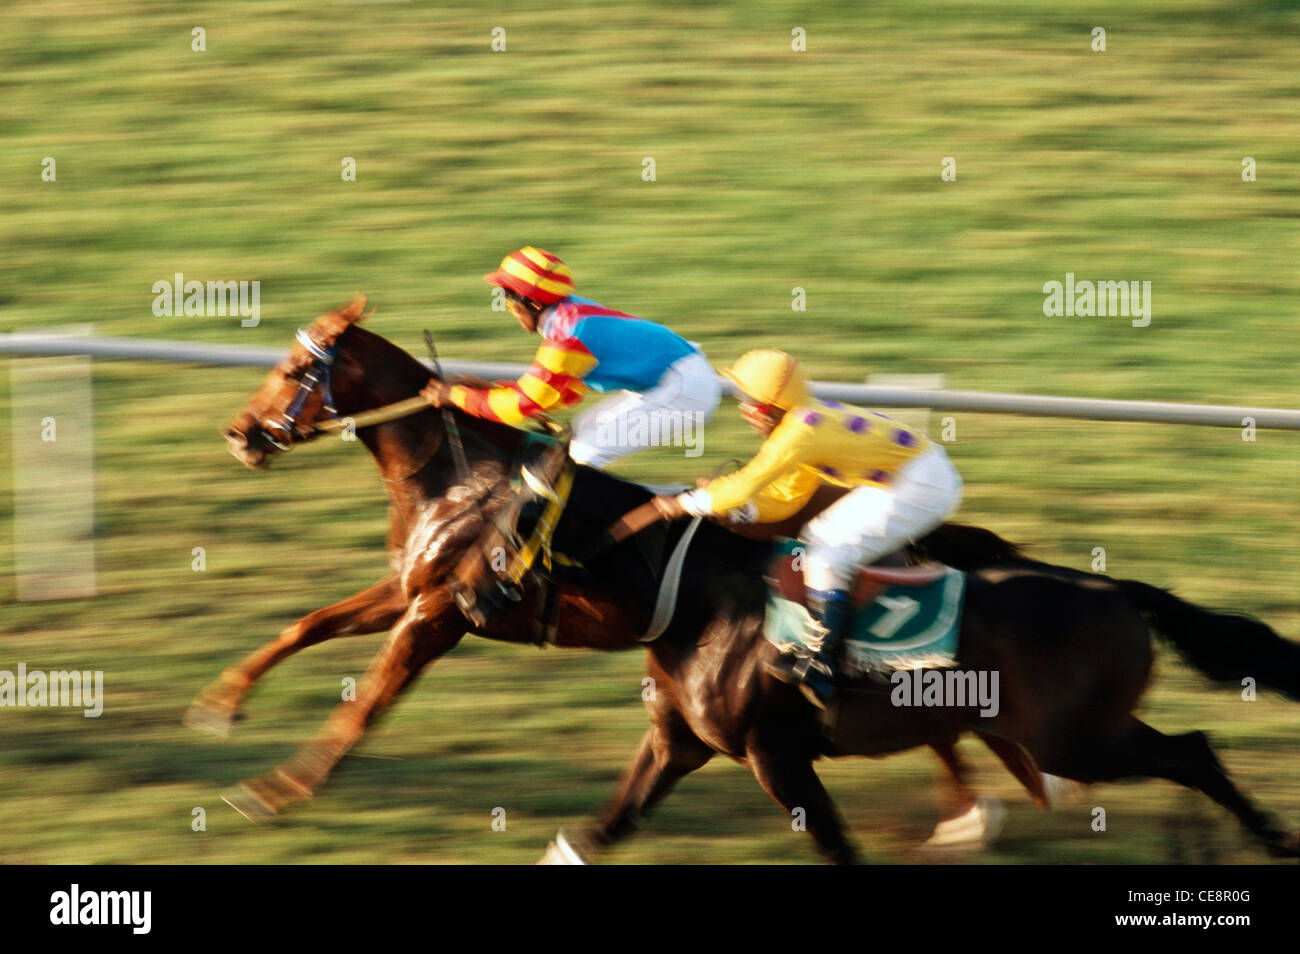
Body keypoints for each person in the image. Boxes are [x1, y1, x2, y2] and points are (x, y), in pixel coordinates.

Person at [653, 348, 963, 708]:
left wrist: (686, 503)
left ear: (767, 407)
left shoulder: (800, 431)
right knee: (818, 536)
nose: (742, 409)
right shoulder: (804, 421)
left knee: (828, 556)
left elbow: (748, 480)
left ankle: (824, 663)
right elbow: (789, 496)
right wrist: (741, 512)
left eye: (746, 401)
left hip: (924, 485)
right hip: (905, 478)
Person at [422, 247, 720, 469]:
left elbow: (525, 405)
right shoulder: (566, 314)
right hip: (676, 379)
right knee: (577, 433)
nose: (507, 308)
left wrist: (455, 396)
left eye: (509, 298)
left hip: (686, 390)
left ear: (535, 303)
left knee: (584, 455)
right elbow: (564, 394)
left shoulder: (568, 337)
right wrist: (492, 390)